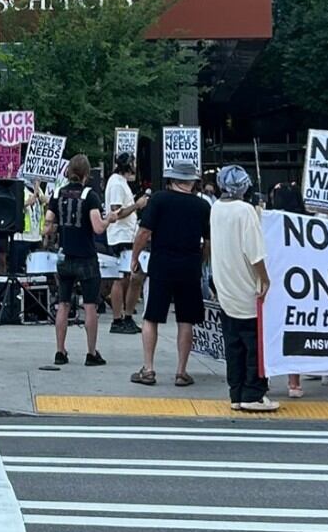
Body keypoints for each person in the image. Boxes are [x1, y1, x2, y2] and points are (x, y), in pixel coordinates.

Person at [135, 162, 210, 387]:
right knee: (186, 319)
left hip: (161, 263)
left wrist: (134, 256)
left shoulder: (159, 199)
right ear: (192, 182)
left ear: (171, 179)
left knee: (152, 316)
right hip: (189, 265)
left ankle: (148, 368)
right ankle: (181, 371)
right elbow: (208, 241)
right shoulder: (202, 206)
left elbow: (144, 232)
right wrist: (201, 261)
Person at [208, 165, 276, 411]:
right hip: (247, 287)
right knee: (254, 345)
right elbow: (255, 254)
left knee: (233, 343)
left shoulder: (216, 208)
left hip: (226, 285)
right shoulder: (245, 211)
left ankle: (236, 392)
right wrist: (265, 280)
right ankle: (253, 393)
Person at [53, 156, 107, 368]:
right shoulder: (89, 196)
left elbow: (49, 224)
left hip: (64, 255)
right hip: (86, 256)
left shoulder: (58, 194)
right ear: (86, 174)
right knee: (90, 305)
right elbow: (98, 227)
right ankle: (91, 352)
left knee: (63, 304)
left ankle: (60, 350)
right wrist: (109, 219)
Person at [104, 154, 148, 332]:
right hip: (120, 236)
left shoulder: (120, 182)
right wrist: (137, 206)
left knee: (130, 277)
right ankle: (119, 317)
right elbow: (116, 212)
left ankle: (125, 316)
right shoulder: (116, 183)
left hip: (126, 234)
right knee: (123, 277)